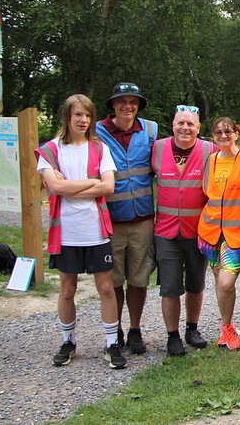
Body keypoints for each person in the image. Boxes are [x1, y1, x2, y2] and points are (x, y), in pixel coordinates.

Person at [36, 94, 126, 369]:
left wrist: (72, 185)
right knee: (67, 289)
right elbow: (55, 188)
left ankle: (112, 344)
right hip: (66, 232)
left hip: (95, 230)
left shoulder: (99, 149)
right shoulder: (50, 151)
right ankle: (68, 341)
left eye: (87, 115)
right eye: (77, 115)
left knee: (106, 288)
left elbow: (108, 187)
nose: (83, 120)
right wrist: (90, 181)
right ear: (67, 116)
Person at [95, 82, 158, 354]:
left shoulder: (151, 130)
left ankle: (135, 329)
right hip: (110, 222)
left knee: (138, 278)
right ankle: (115, 328)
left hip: (142, 219)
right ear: (113, 105)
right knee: (113, 280)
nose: (127, 106)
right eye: (122, 101)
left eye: (132, 102)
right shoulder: (96, 132)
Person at [151, 105, 214, 356]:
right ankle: (172, 336)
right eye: (180, 123)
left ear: (198, 128)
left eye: (190, 124)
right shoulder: (157, 149)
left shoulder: (210, 150)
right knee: (169, 287)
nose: (185, 128)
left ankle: (192, 328)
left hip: (198, 231)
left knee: (195, 284)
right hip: (166, 232)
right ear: (173, 125)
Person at [197, 117, 240, 351]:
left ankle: (227, 326)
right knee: (218, 281)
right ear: (213, 136)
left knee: (225, 283)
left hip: (238, 233)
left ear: (237, 133)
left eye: (228, 132)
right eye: (218, 133)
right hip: (209, 231)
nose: (223, 136)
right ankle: (227, 328)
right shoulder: (211, 160)